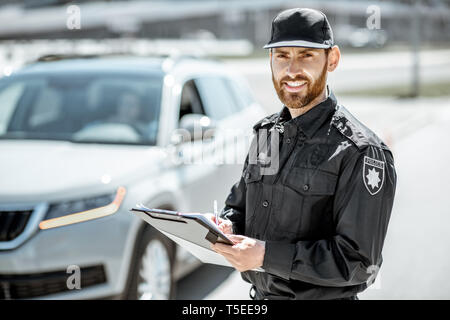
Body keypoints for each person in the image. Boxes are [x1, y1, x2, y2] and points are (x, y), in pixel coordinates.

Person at [208, 8, 397, 300]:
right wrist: (226, 225)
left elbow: (361, 264)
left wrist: (265, 256)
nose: (292, 69)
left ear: (331, 59)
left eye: (306, 55)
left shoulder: (361, 152)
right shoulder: (267, 134)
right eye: (282, 55)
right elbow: (240, 204)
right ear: (270, 61)